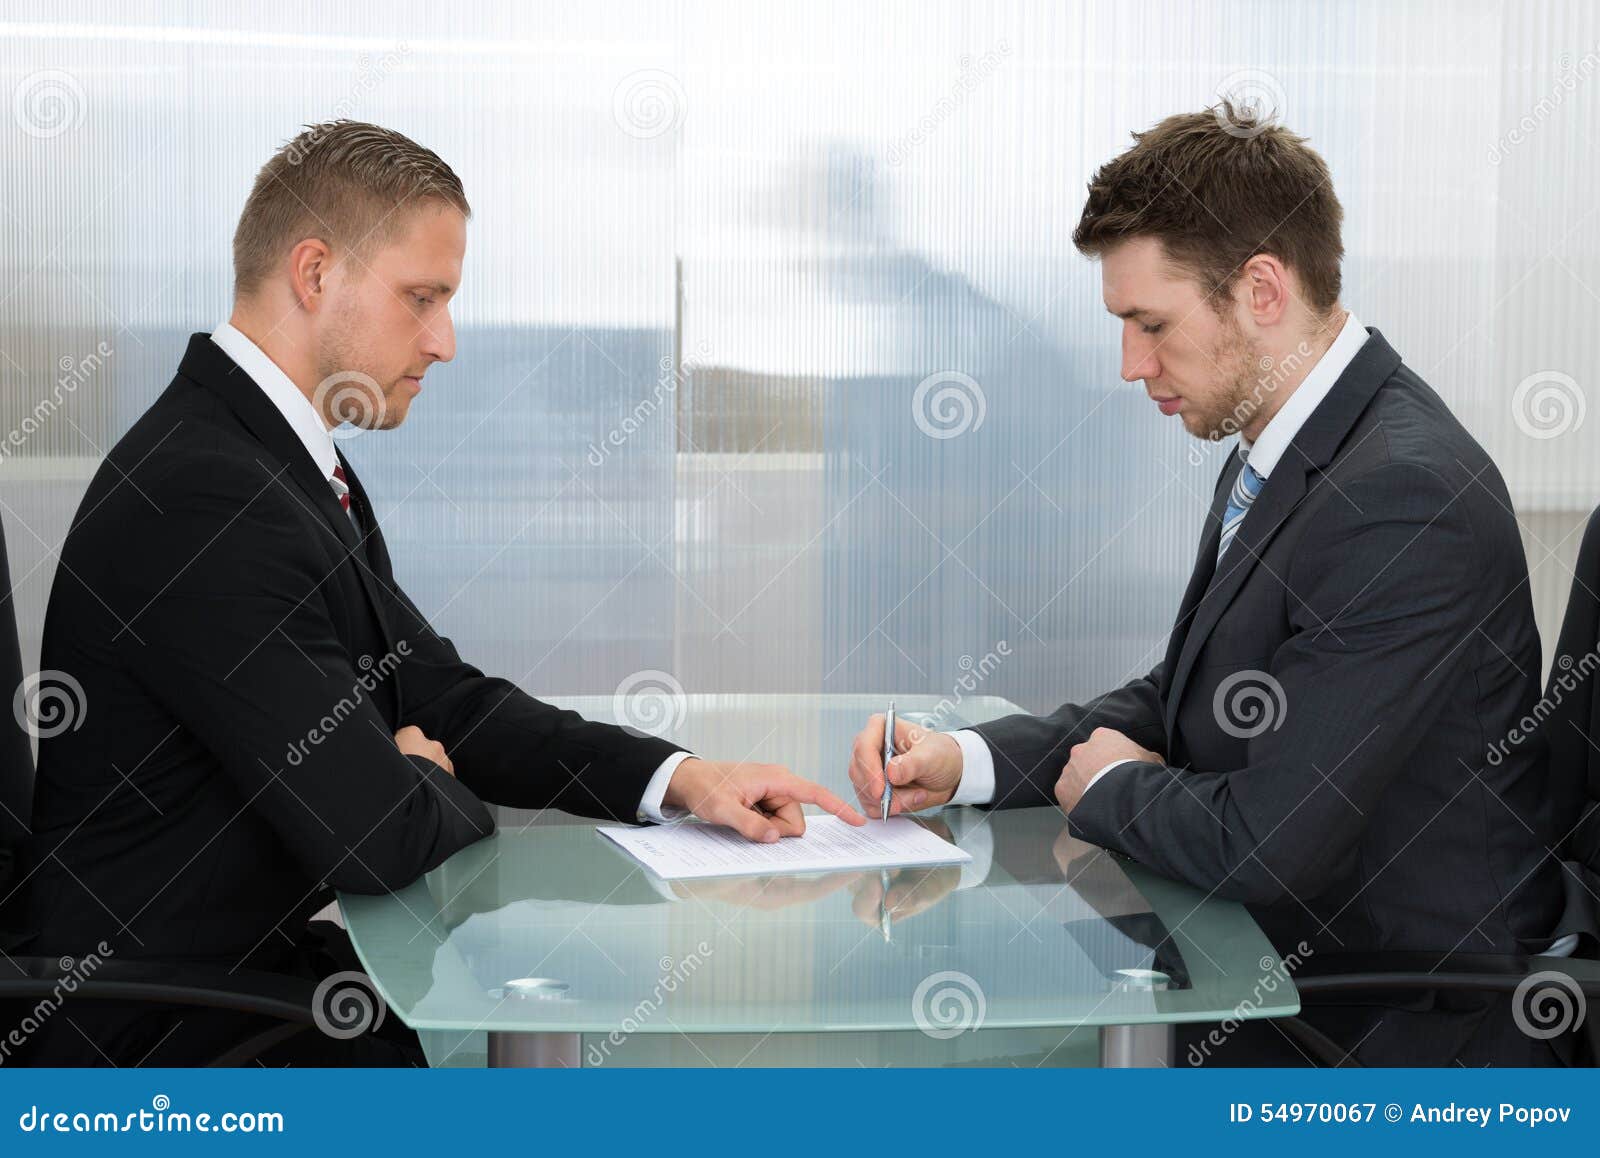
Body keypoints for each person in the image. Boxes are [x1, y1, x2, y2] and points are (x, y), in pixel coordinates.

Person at [19, 120, 863, 1066]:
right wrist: (424, 777)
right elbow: (380, 833)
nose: (446, 341)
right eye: (421, 298)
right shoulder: (207, 495)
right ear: (314, 274)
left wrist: (679, 780)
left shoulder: (279, 462)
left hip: (250, 985)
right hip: (163, 1040)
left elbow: (440, 698)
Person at [848, 103, 1583, 1066]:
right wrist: (968, 760)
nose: (1129, 365)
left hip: (1391, 1025)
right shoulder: (1288, 446)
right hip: (1269, 967)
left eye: (1151, 324)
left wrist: (1109, 786)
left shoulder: (1403, 497)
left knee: (971, 1063)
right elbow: (1187, 699)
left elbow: (1264, 844)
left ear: (1263, 289)